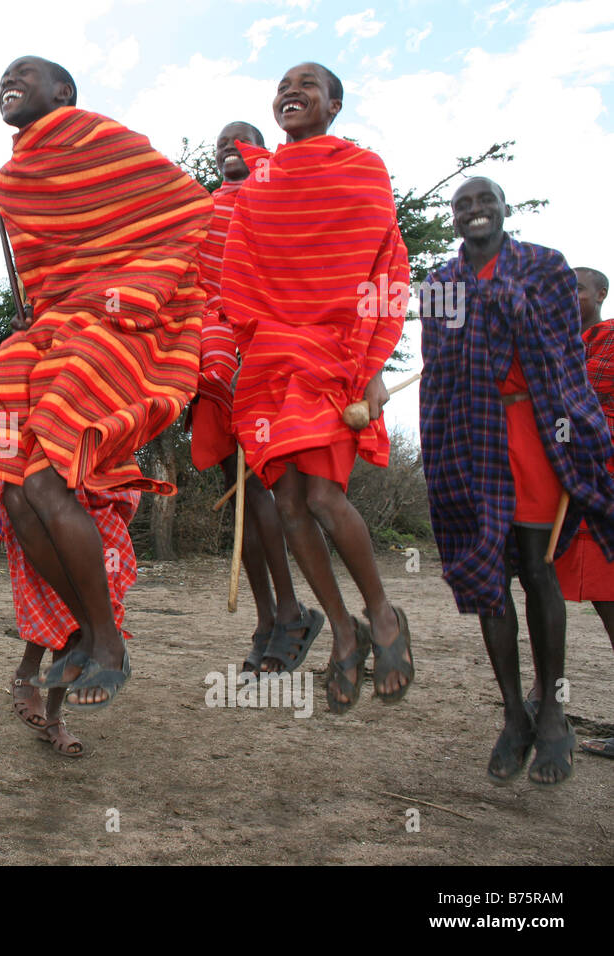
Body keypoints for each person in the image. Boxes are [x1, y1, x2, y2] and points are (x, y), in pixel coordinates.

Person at [0, 56, 212, 711]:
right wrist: (38, 304)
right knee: (18, 496)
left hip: (116, 314)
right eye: (1, 77)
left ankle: (106, 642)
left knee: (45, 478)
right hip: (56, 322)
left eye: (23, 74)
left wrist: (133, 285)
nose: (6, 81)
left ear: (62, 92)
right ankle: (87, 632)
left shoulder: (101, 140)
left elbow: (185, 207)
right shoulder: (13, 179)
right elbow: (48, 268)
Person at [223, 62, 412, 714]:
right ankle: (341, 630)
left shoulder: (362, 169)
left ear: (334, 104)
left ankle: (384, 614)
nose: (291, 92)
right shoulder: (261, 183)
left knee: (326, 496)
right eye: (282, 86)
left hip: (334, 357)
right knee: (289, 504)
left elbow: (380, 259)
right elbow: (240, 274)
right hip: (273, 361)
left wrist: (373, 364)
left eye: (308, 85)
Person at [421, 179, 614, 785]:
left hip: (536, 426)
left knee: (538, 569)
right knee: (487, 574)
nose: (475, 211)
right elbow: (439, 367)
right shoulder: (439, 284)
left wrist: (491, 300)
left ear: (506, 209)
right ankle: (513, 716)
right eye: (463, 205)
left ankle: (553, 713)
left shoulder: (546, 267)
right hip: (470, 432)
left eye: (486, 202)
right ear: (453, 219)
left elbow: (558, 348)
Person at [189, 120, 323, 675]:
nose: (228, 149)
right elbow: (192, 280)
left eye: (239, 141)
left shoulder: (282, 199)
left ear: (261, 150)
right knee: (237, 487)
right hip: (213, 359)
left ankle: (291, 612)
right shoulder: (202, 210)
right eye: (220, 144)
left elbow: (298, 275)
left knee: (270, 486)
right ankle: (269, 619)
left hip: (265, 352)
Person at [545, 266, 614, 760]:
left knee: (610, 602)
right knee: (548, 589)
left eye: (578, 290)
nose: (568, 298)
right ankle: (544, 700)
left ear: (600, 296)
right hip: (565, 490)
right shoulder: (557, 351)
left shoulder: (611, 345)